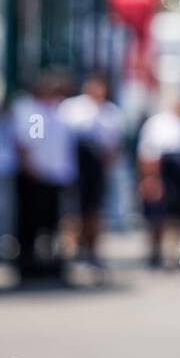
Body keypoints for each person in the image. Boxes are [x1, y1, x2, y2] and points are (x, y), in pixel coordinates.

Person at [10, 71, 77, 283]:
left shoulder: (57, 112)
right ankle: (28, 265)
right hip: (36, 178)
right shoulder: (33, 112)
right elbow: (25, 144)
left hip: (55, 178)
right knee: (30, 223)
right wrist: (33, 170)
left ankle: (47, 264)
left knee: (51, 224)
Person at [59, 71, 125, 269]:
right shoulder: (71, 108)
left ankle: (92, 250)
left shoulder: (111, 112)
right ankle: (69, 251)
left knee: (94, 211)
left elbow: (114, 146)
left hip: (96, 169)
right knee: (71, 210)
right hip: (74, 165)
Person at [136, 93, 180, 269]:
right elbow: (147, 153)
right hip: (163, 173)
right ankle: (155, 254)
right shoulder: (157, 123)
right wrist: (150, 179)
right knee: (157, 217)